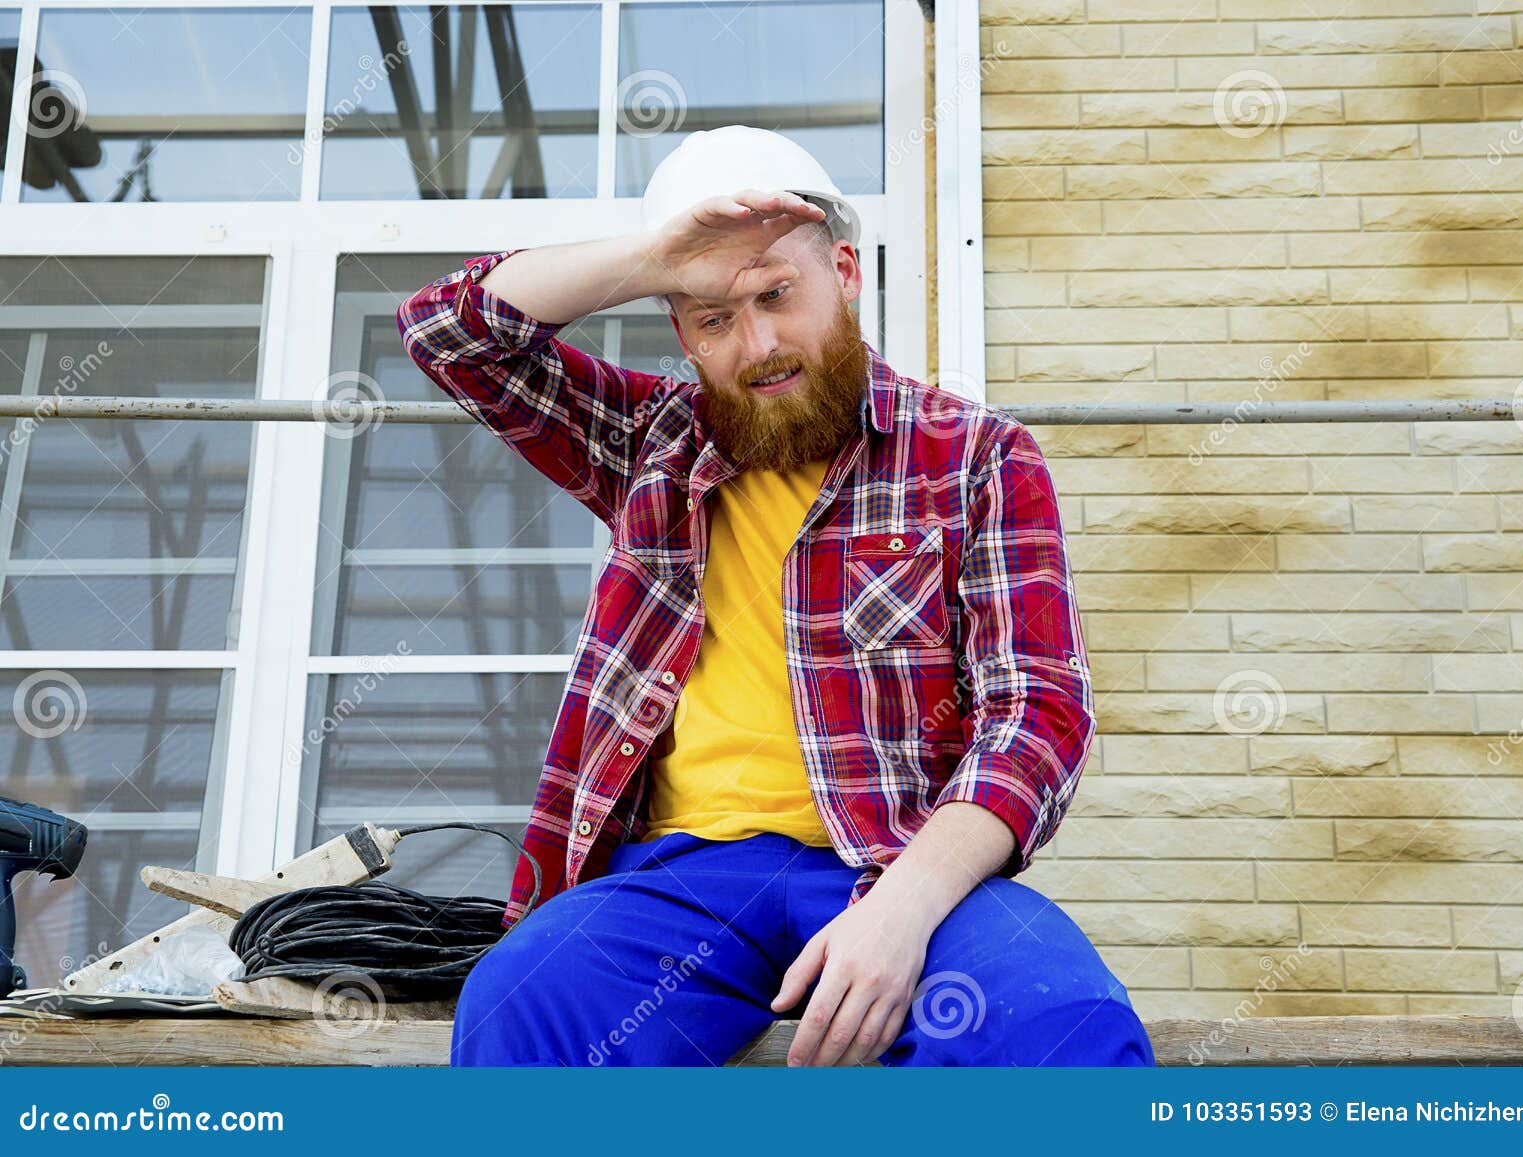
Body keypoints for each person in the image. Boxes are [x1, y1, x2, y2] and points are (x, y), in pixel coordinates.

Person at [397, 125, 1154, 1068]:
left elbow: (1036, 714)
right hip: (678, 884)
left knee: (1061, 1024)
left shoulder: (976, 456)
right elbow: (446, 332)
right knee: (522, 1002)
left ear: (846, 272)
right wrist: (654, 260)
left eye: (775, 294)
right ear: (682, 333)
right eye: (712, 318)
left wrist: (902, 912)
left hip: (902, 862)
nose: (756, 344)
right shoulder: (648, 444)